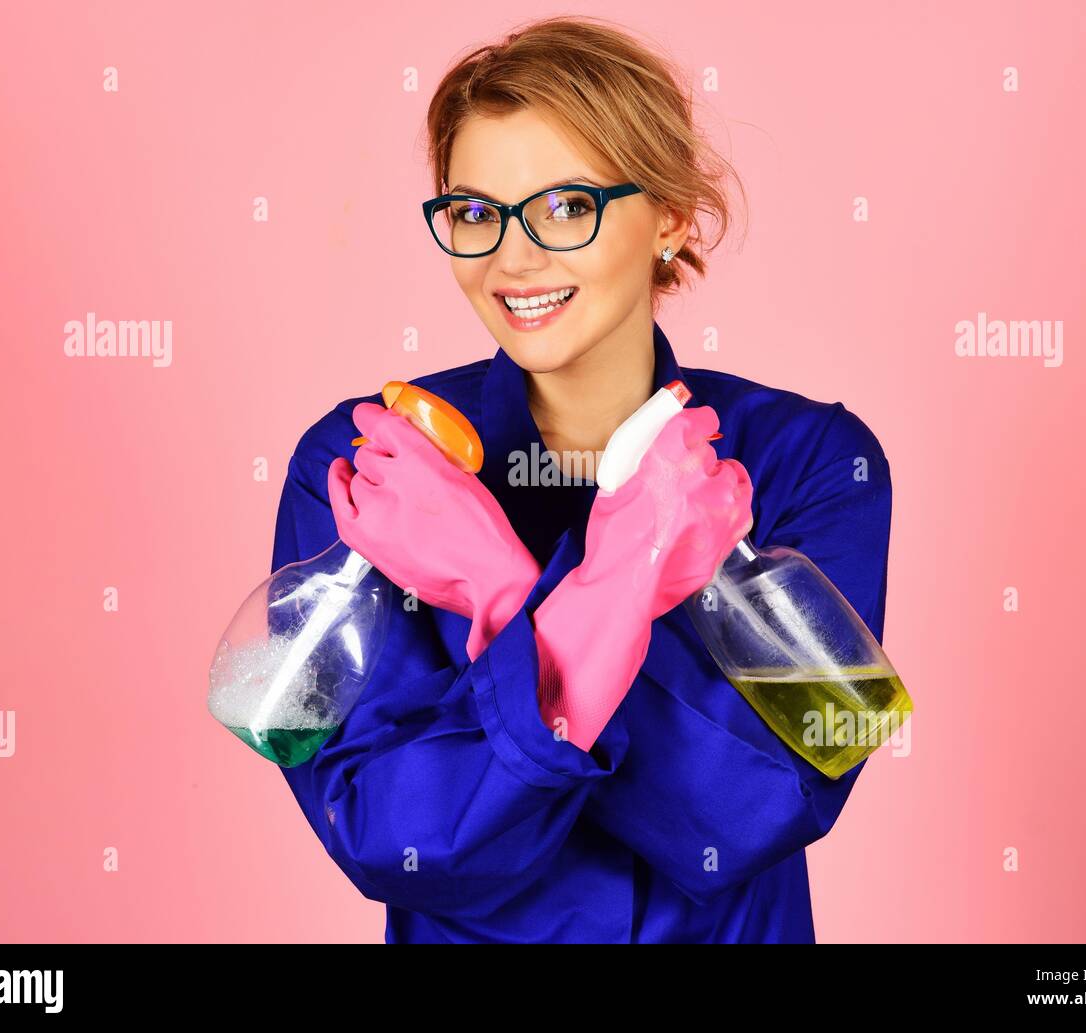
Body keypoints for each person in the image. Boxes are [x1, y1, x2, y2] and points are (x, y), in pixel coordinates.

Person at [271, 15, 892, 943]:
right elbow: (386, 832)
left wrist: (495, 589)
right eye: (476, 213)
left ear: (670, 218)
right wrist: (612, 589)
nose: (513, 258)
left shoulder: (814, 463)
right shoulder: (364, 468)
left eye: (567, 205)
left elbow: (770, 797)